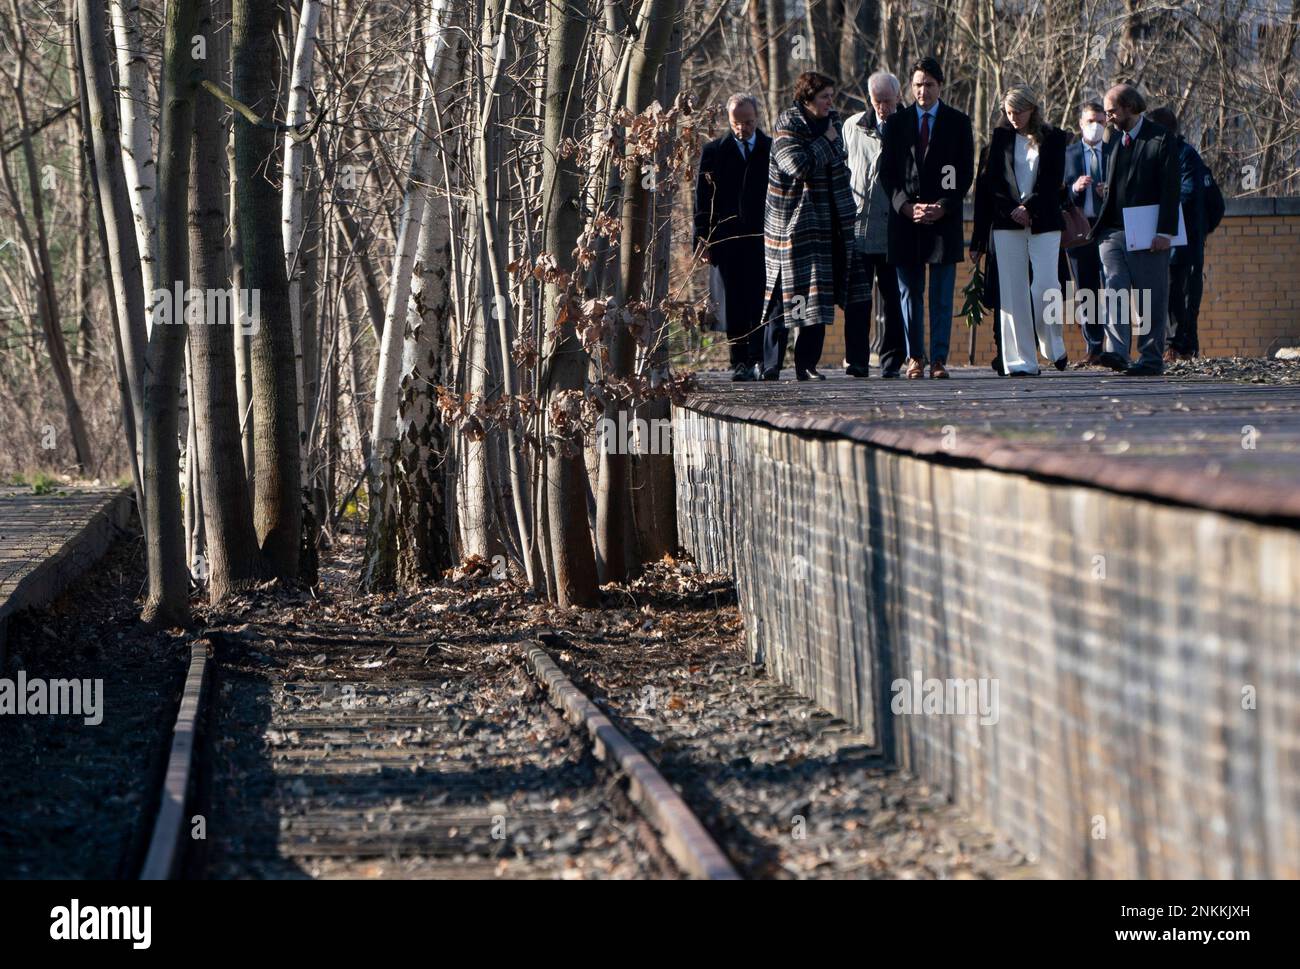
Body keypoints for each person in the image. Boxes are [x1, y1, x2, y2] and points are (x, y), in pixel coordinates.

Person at [878, 56, 975, 379]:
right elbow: (887, 174)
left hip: (943, 223)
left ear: (940, 86)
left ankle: (938, 360)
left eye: (929, 85)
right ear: (911, 86)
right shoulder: (896, 123)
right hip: (906, 222)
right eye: (918, 85)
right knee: (909, 293)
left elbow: (964, 173)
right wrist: (905, 206)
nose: (923, 91)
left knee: (942, 295)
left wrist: (945, 205)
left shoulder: (958, 122)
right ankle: (914, 358)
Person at [760, 71, 857, 381]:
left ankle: (807, 365)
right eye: (824, 97)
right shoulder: (787, 125)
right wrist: (826, 142)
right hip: (789, 224)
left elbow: (839, 160)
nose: (831, 102)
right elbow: (798, 166)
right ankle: (771, 364)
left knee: (818, 296)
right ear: (806, 100)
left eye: (831, 96)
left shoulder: (834, 123)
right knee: (781, 296)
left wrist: (829, 141)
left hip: (827, 222)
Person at [971, 87, 1068, 376]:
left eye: (1019, 112)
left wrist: (1030, 208)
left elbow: (1052, 182)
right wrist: (978, 239)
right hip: (1006, 222)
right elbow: (987, 189)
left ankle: (1051, 343)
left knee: (1046, 286)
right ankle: (1021, 362)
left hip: (1044, 222)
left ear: (1032, 109)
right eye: (1009, 113)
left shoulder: (1054, 138)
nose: (1013, 118)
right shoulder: (999, 140)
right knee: (1012, 295)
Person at [1091, 83, 1181, 376]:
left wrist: (1165, 233)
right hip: (1114, 231)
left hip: (1148, 231)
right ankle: (1117, 353)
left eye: (1112, 111)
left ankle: (1150, 359)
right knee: (1114, 286)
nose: (1108, 118)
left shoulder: (1161, 139)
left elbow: (1170, 188)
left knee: (1150, 296)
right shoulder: (1115, 140)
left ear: (1129, 107)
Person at [694, 93, 772, 381]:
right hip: (726, 240)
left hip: (762, 239)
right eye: (736, 123)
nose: (742, 129)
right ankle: (739, 361)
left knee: (759, 301)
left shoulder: (769, 149)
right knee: (732, 302)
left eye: (748, 122)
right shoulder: (714, 151)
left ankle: (759, 360)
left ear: (757, 118)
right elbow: (702, 200)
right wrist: (702, 238)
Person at [842, 72, 907, 378]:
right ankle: (856, 360)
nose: (883, 108)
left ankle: (892, 361)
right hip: (859, 225)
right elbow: (845, 170)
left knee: (894, 300)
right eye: (877, 101)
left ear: (898, 98)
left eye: (888, 102)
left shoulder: (907, 126)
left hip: (895, 227)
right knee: (858, 299)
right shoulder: (852, 126)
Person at [1148, 106, 1208, 362]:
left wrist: (1162, 213)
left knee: (1180, 292)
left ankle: (1180, 346)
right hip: (1163, 236)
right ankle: (1174, 344)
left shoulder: (1184, 155)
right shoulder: (1161, 154)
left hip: (1181, 240)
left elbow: (1189, 192)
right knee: (1167, 292)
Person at [1063, 100, 1112, 364]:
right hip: (1079, 229)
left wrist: (1110, 192)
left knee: (1113, 286)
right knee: (1087, 290)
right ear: (1081, 124)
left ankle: (1115, 345)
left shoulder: (1114, 152)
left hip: (1107, 228)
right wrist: (1074, 189)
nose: (1095, 127)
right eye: (1090, 121)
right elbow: (1058, 194)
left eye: (1100, 122)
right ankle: (1094, 346)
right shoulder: (1068, 155)